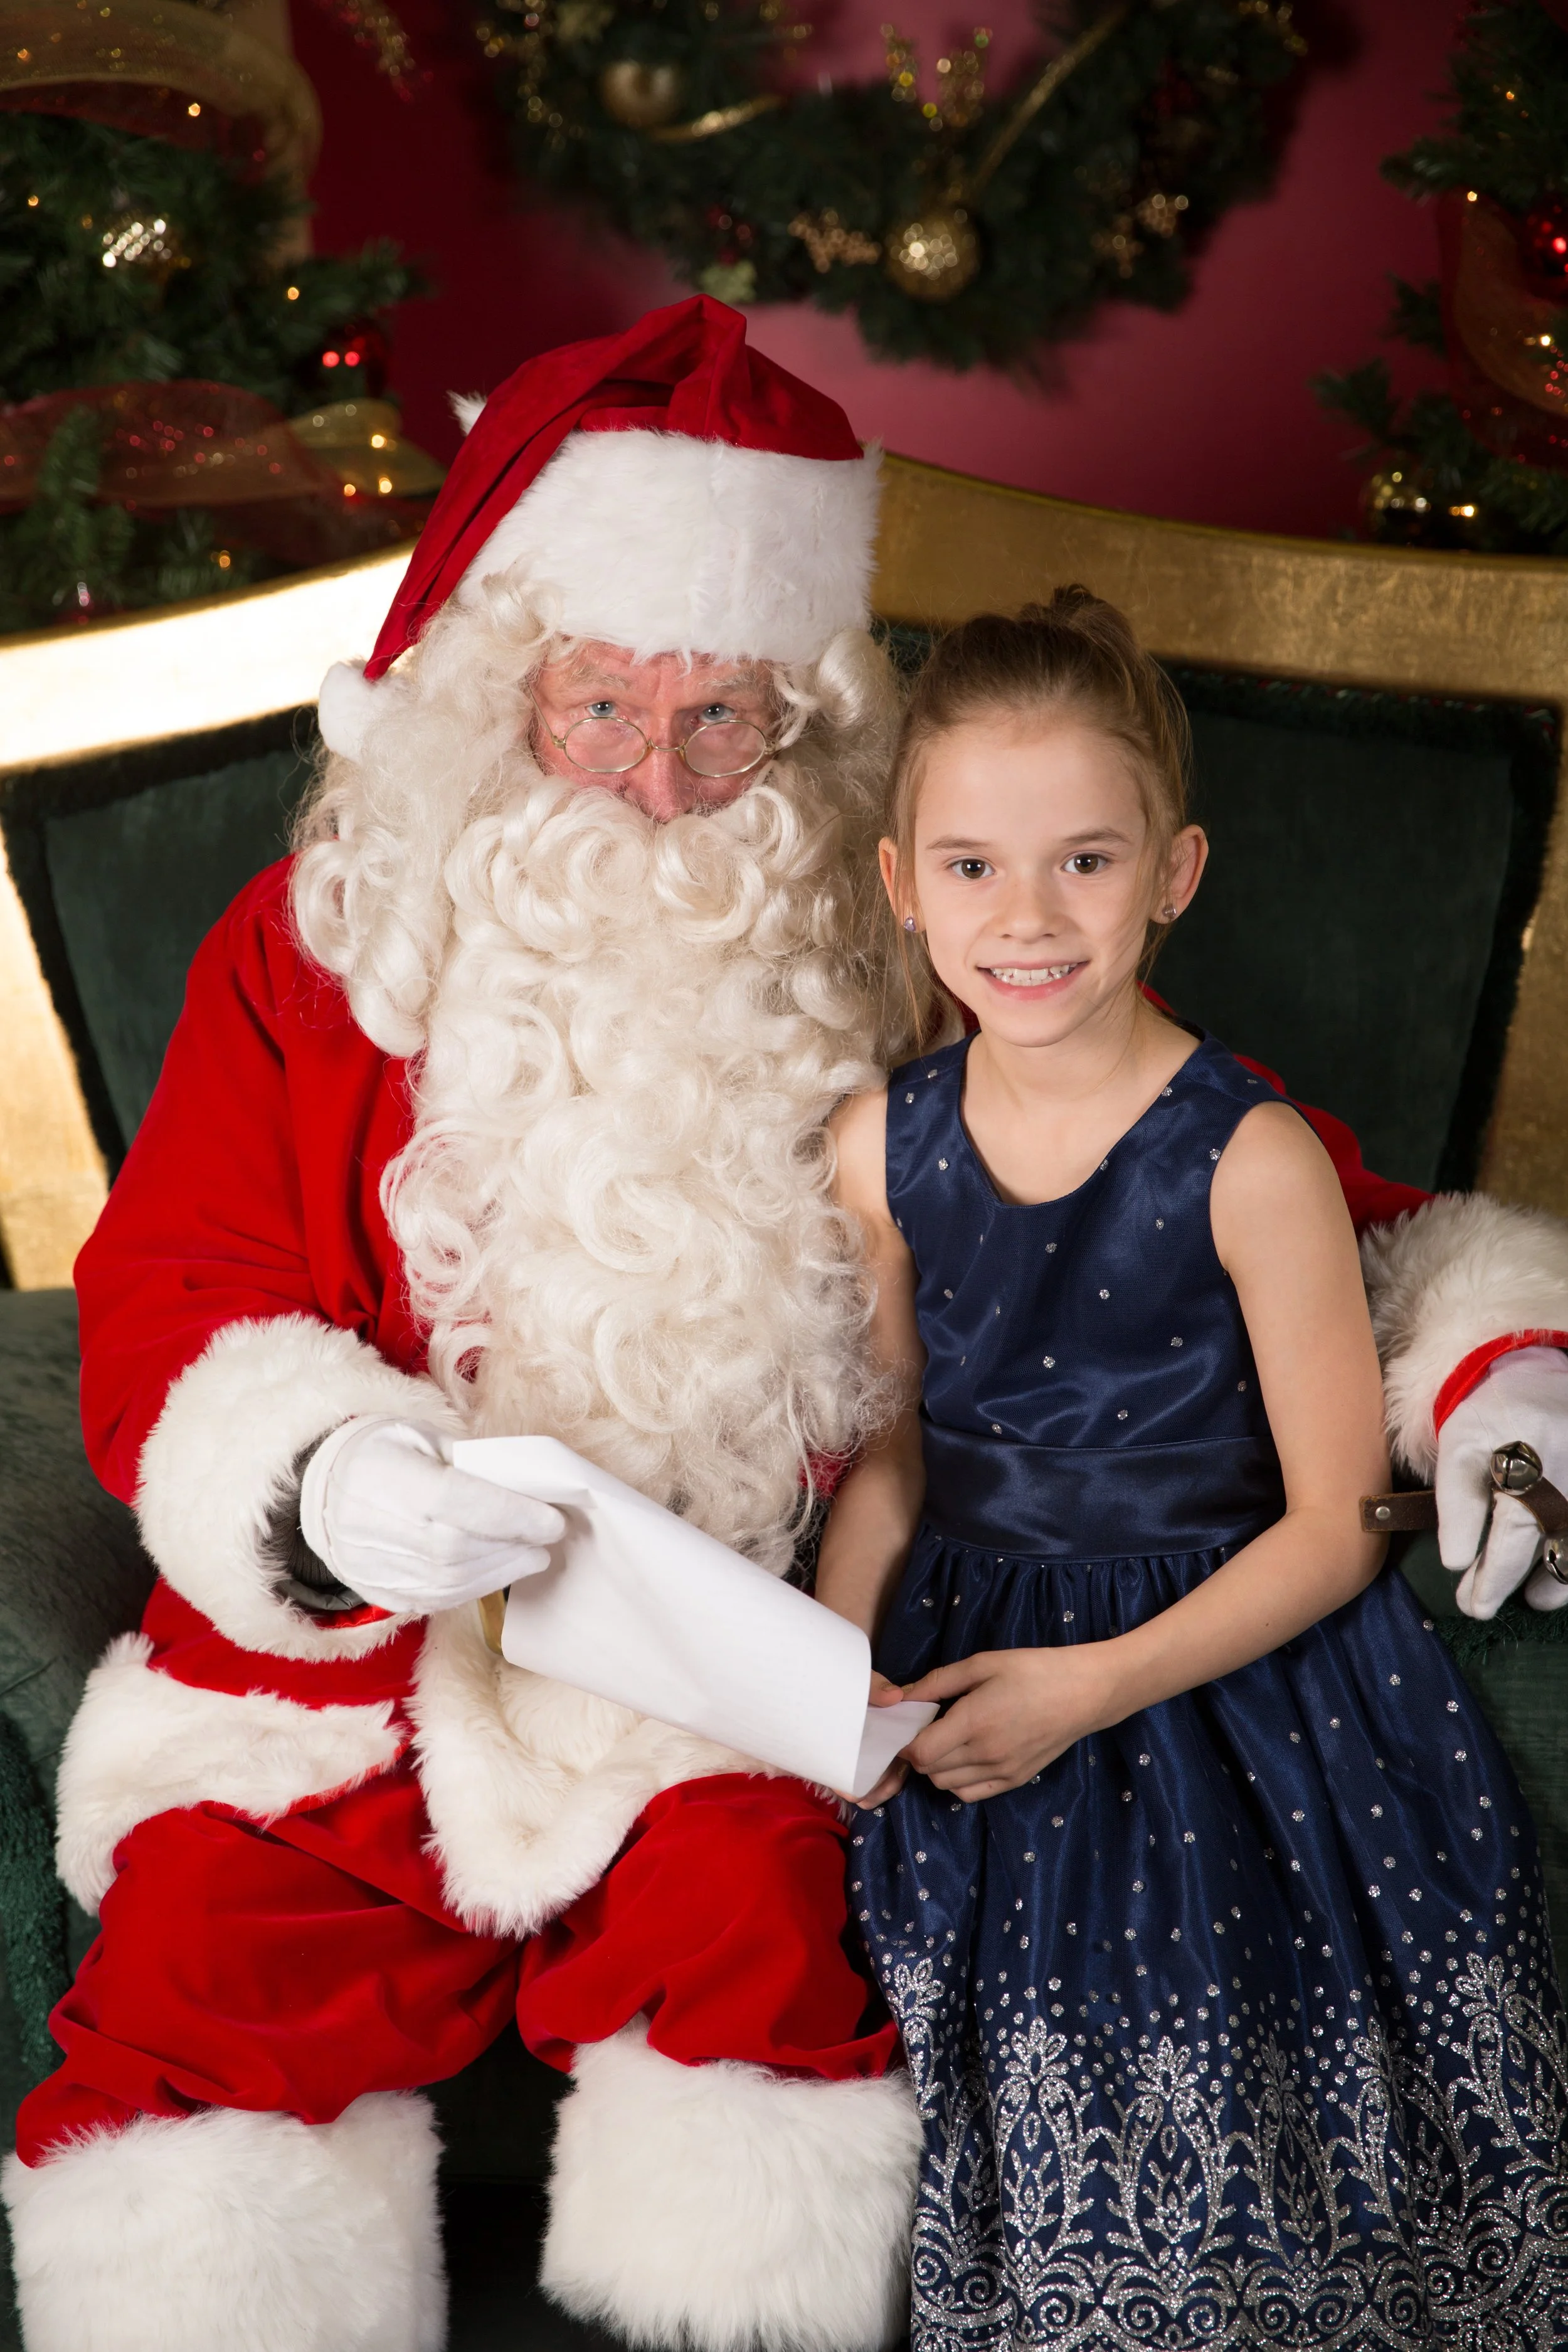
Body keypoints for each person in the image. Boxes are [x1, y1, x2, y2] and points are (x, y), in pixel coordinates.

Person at [5, 295, 1568, 2351]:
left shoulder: (901, 940)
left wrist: (1491, 1362)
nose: (659, 783)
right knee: (208, 1981)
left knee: (756, 1974)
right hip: (352, 1677)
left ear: (804, 724)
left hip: (722, 1665)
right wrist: (320, 1482)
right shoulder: (323, 949)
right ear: (499, 691)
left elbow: (1231, 1196)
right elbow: (178, 1283)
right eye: (598, 707)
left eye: (722, 718)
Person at [820, 591, 1568, 2352]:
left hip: (1216, 1666)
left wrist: (1093, 1683)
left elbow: (1336, 1525)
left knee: (1222, 2136)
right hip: (961, 1634)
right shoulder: (879, 1145)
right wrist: (832, 1665)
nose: (1026, 917)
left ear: (1173, 871)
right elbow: (896, 1449)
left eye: (1084, 861)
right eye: (974, 866)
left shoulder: (1249, 1156)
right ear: (901, 884)